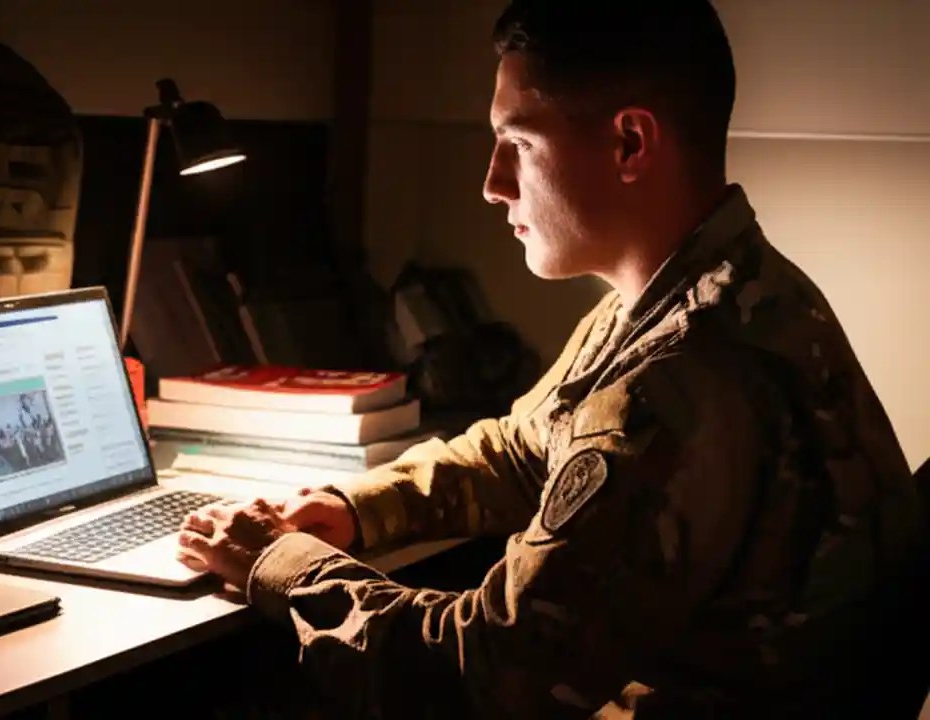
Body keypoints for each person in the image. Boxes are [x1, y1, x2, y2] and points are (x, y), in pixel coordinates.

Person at [177, 0, 928, 717]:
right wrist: (354, 509)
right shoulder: (729, 291)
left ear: (631, 143)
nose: (493, 184)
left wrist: (284, 566)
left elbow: (482, 679)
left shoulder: (675, 382)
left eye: (520, 144)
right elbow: (523, 446)